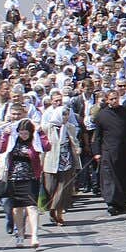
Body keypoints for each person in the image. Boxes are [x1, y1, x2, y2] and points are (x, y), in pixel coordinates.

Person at [0, 118, 44, 250]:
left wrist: (41, 133)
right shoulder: (13, 140)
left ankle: (35, 235)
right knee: (17, 208)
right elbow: (1, 149)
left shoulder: (34, 141)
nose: (23, 136)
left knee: (32, 207)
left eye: (26, 133)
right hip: (14, 177)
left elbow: (46, 146)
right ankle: (20, 234)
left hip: (30, 177)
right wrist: (6, 135)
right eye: (21, 133)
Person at [91, 87, 126, 216]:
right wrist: (97, 152)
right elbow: (97, 136)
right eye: (111, 99)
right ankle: (111, 202)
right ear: (107, 100)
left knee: (123, 177)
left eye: (116, 98)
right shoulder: (102, 115)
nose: (114, 101)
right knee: (109, 177)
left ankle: (122, 202)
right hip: (108, 151)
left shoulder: (125, 113)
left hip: (124, 150)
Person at [39, 96, 80, 226]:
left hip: (66, 160)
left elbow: (74, 141)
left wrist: (77, 149)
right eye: (63, 115)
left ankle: (58, 214)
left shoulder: (70, 127)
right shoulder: (48, 127)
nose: (65, 117)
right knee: (50, 187)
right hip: (51, 160)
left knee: (63, 188)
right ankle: (51, 207)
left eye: (67, 115)